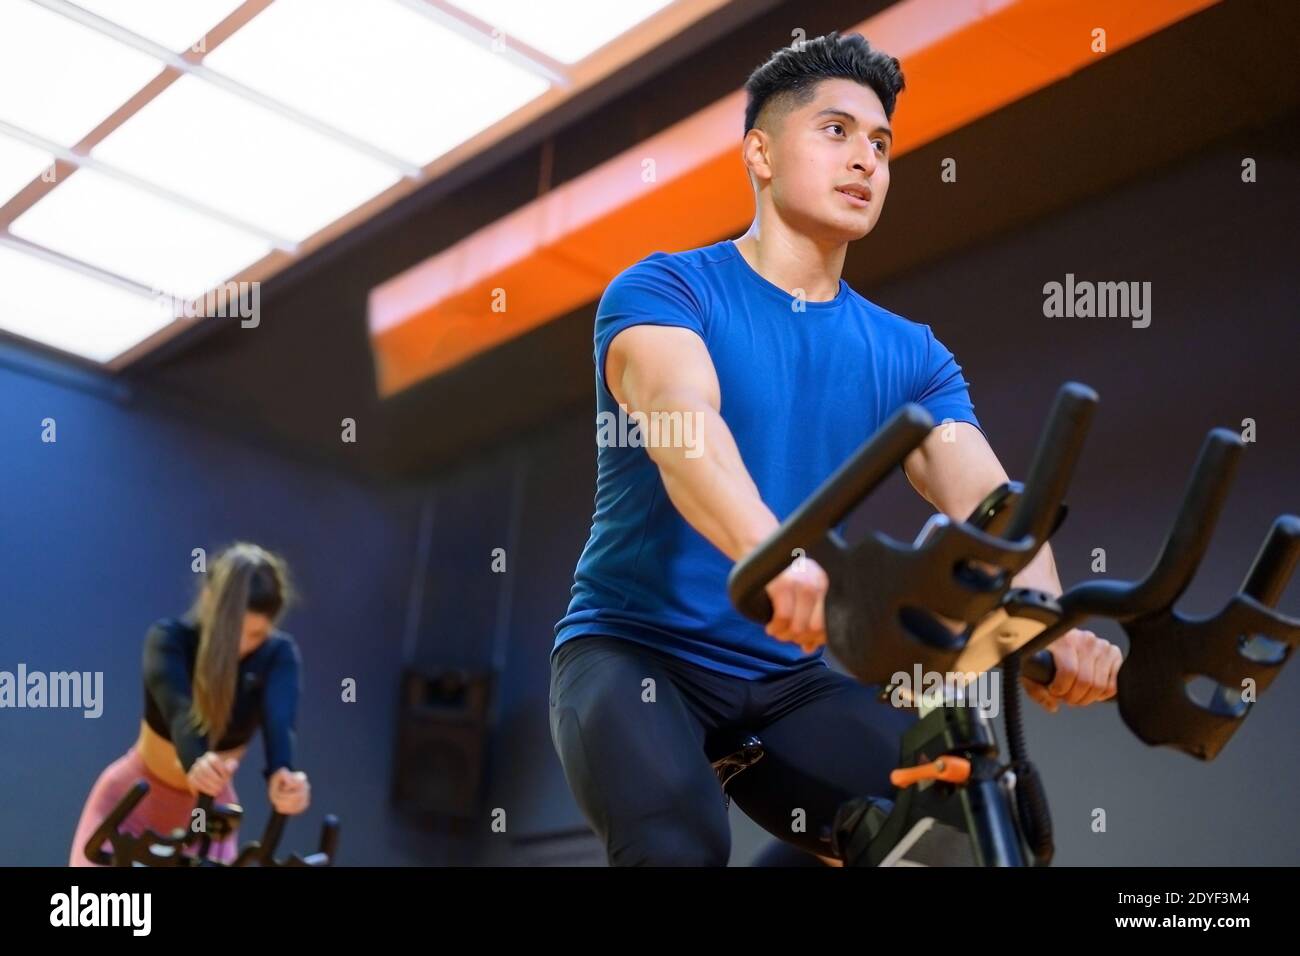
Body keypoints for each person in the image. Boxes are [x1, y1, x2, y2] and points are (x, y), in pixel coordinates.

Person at [549, 31, 1123, 867]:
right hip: (636, 651)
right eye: (836, 131)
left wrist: (1050, 623)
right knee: (676, 848)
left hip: (791, 676)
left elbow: (994, 507)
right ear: (761, 153)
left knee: (955, 822)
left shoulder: (910, 355)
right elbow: (681, 426)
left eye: (881, 144)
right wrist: (767, 553)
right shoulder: (666, 288)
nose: (866, 159)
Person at [69, 542, 310, 866]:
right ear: (208, 599)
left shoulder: (278, 656)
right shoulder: (169, 639)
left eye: (254, 634)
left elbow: (280, 723)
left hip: (207, 821)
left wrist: (285, 776)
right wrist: (196, 760)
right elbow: (180, 712)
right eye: (231, 630)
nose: (239, 646)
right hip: (130, 805)